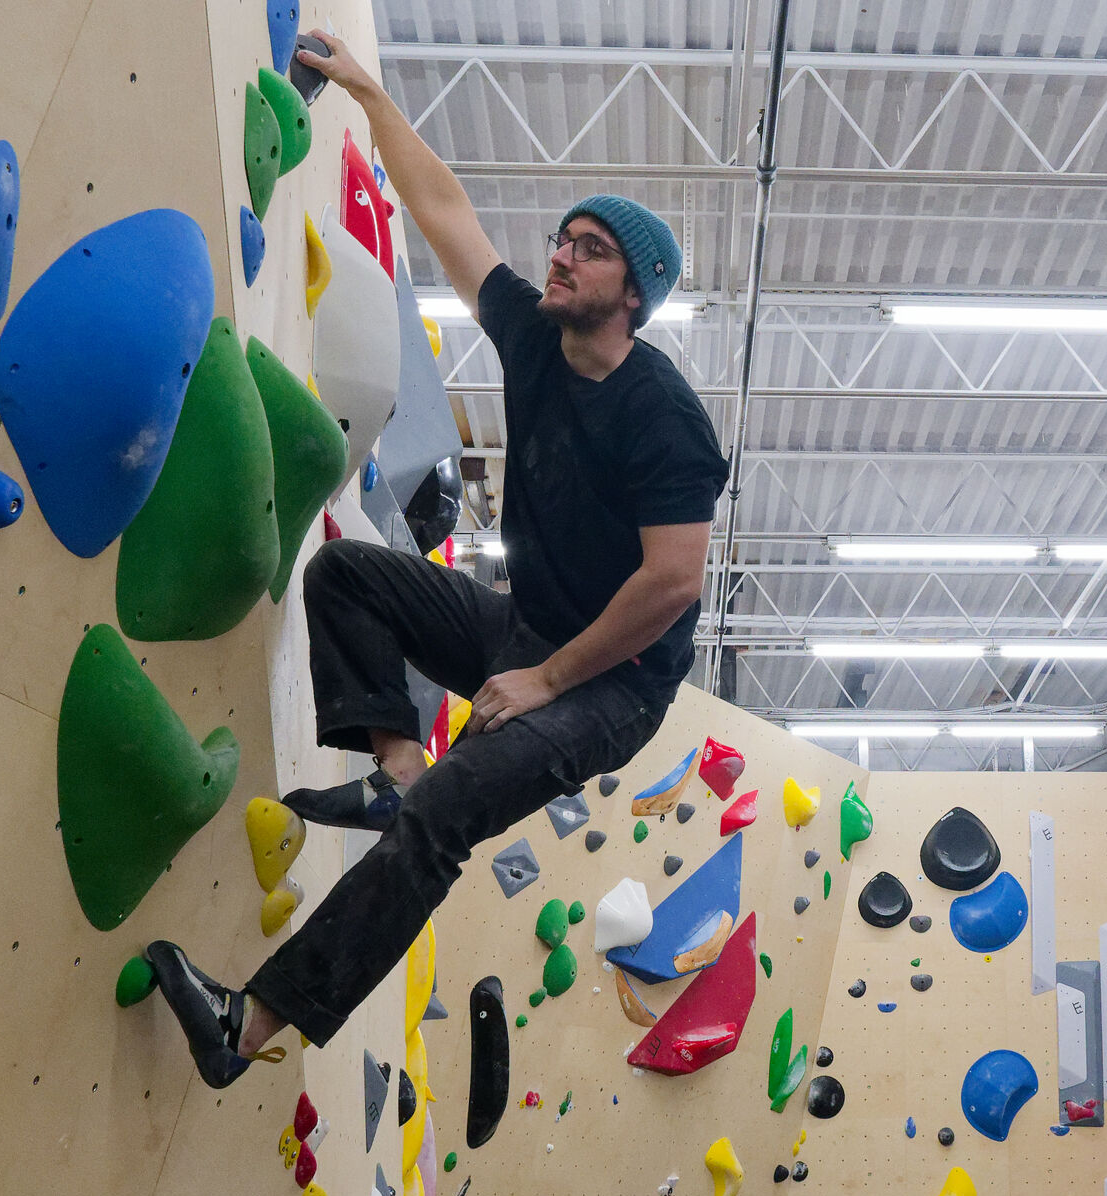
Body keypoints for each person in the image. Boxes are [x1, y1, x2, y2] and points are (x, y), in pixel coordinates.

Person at [143, 29, 728, 1088]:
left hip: (614, 683)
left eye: (591, 247)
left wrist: (547, 678)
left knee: (445, 819)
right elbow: (447, 212)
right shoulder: (534, 335)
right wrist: (368, 95)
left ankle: (245, 1024)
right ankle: (395, 771)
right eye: (562, 237)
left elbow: (672, 583)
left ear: (635, 293)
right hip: (527, 624)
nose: (560, 254)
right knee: (344, 576)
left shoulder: (663, 415)